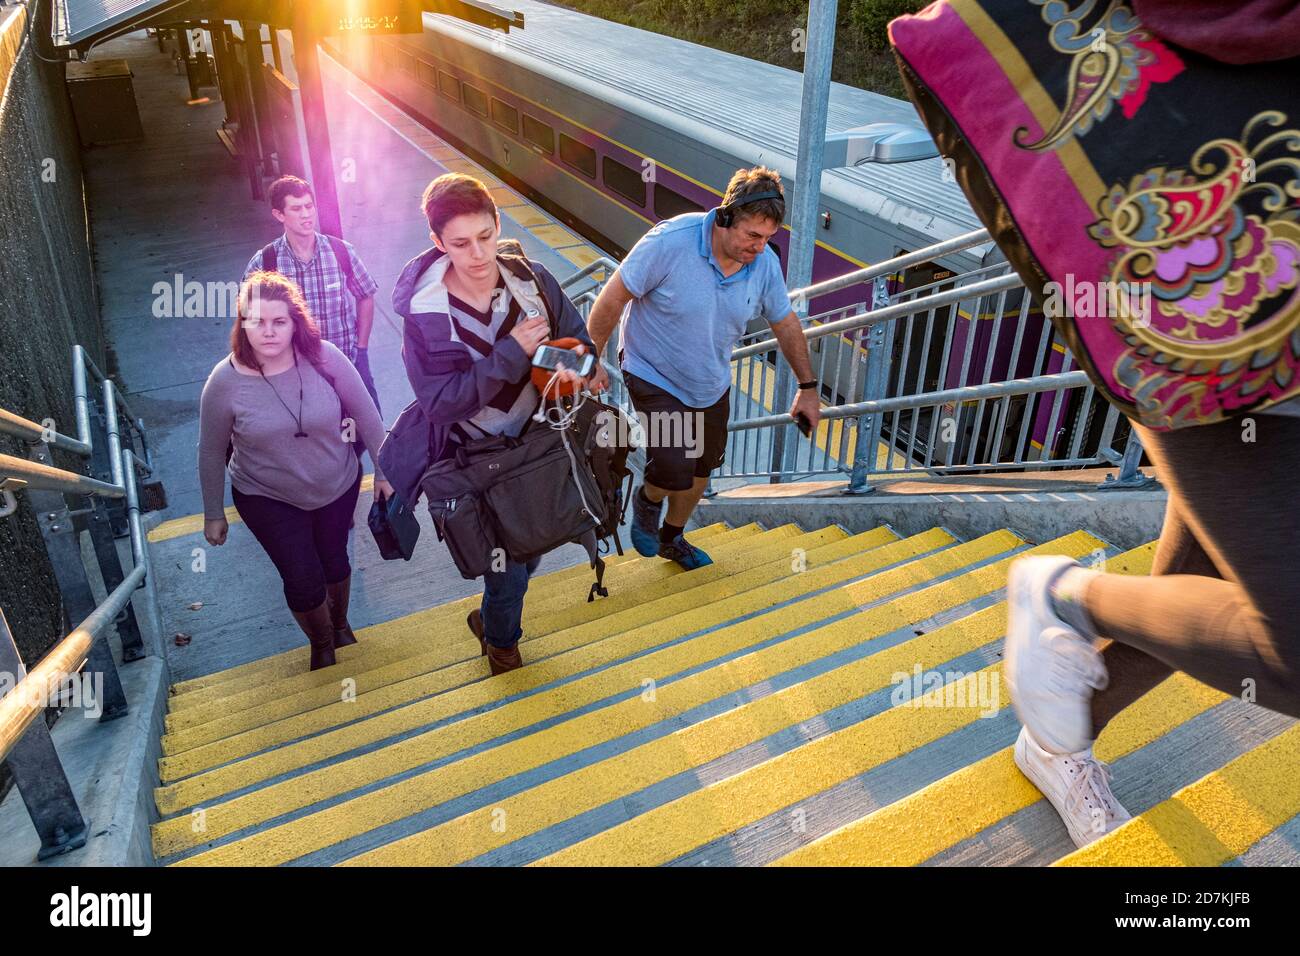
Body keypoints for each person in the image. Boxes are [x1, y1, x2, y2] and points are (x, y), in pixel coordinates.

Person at [393, 173, 604, 675]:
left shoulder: (531, 281)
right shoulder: (424, 316)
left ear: (498, 224)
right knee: (506, 573)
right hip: (476, 461)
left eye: (486, 236)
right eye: (461, 243)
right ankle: (503, 649)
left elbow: (580, 341)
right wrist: (512, 354)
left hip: (537, 447)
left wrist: (579, 370)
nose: (479, 254)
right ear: (438, 243)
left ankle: (491, 623)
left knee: (529, 554)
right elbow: (442, 404)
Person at [585, 165, 822, 569]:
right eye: (753, 235)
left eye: (768, 238)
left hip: (710, 381)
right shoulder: (670, 242)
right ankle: (647, 500)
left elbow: (784, 322)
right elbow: (611, 300)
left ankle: (672, 538)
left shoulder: (762, 265)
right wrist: (591, 360)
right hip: (652, 370)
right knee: (675, 464)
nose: (760, 248)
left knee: (701, 468)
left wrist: (809, 386)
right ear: (726, 218)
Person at [199, 272, 393, 670]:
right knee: (302, 577)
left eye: (279, 322)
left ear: (295, 322)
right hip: (266, 496)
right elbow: (211, 448)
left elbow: (367, 415)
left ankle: (339, 626)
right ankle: (321, 643)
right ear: (243, 324)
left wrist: (385, 472)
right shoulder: (225, 381)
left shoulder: (325, 357)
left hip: (336, 484)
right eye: (257, 322)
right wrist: (213, 513)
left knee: (335, 561)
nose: (268, 332)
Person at [242, 176, 384, 420]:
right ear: (279, 215)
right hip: (292, 372)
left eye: (309, 206)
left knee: (365, 428)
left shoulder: (341, 252)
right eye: (296, 208)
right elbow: (248, 318)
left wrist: (361, 349)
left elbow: (366, 295)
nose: (306, 214)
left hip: (345, 363)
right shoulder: (265, 263)